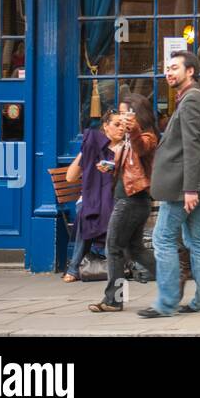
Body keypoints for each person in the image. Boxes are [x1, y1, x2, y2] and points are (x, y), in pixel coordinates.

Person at [138, 50, 200, 318]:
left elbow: (193, 147)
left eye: (174, 68)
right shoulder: (193, 97)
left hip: (181, 187)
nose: (168, 72)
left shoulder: (191, 101)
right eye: (167, 68)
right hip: (188, 184)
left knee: (162, 239)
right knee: (196, 239)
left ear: (191, 71)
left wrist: (190, 189)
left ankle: (166, 303)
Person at [91, 95, 159, 313]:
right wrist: (111, 167)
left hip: (131, 201)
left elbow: (141, 148)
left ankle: (114, 300)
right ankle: (174, 277)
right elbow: (133, 166)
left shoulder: (147, 136)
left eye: (125, 112)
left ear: (136, 114)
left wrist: (134, 130)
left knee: (114, 248)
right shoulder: (131, 138)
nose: (121, 117)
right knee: (136, 250)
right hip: (130, 199)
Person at [63, 110, 126, 283]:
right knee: (87, 211)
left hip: (115, 199)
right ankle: (75, 267)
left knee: (97, 211)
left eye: (124, 125)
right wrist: (86, 152)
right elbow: (70, 177)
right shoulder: (93, 146)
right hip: (91, 199)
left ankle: (73, 268)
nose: (121, 129)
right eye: (117, 124)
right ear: (105, 126)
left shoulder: (126, 149)